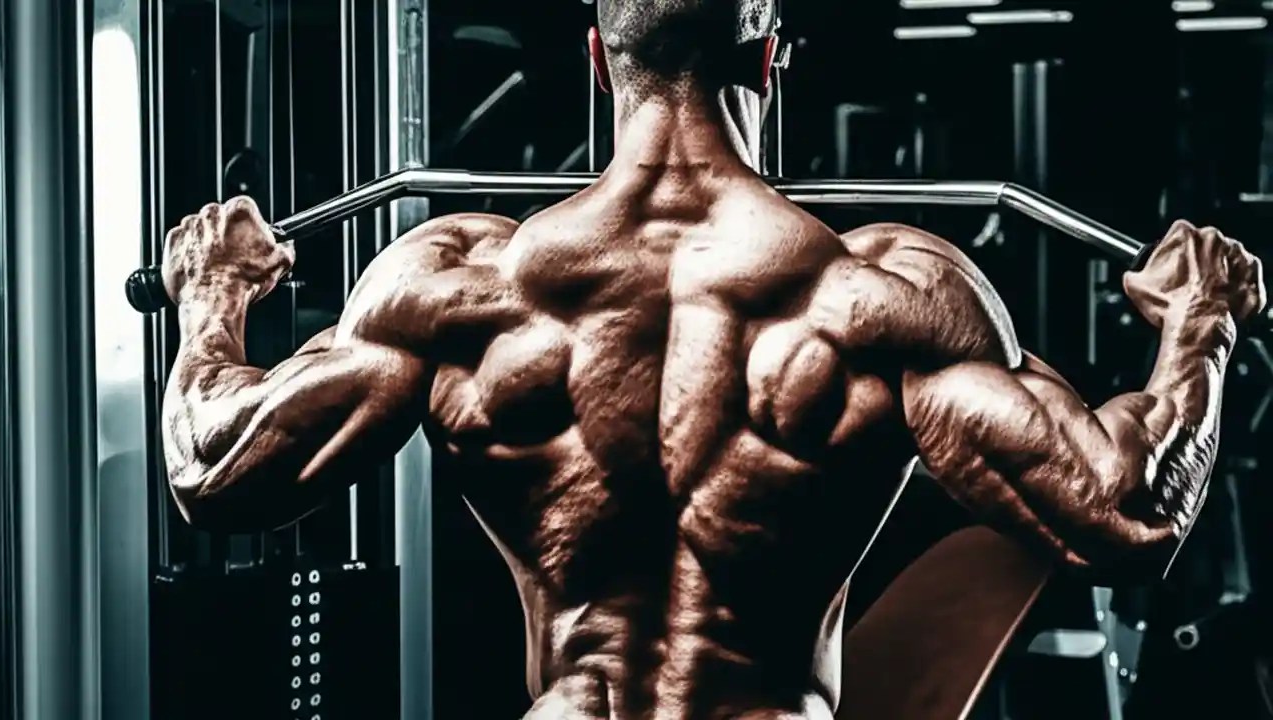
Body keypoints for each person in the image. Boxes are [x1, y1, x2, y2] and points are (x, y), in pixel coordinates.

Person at [156, 0, 1267, 717]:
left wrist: (212, 296)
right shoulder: (874, 293)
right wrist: (1200, 322)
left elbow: (212, 470)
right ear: (771, 52)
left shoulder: (459, 281)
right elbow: (1124, 517)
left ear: (596, 59)